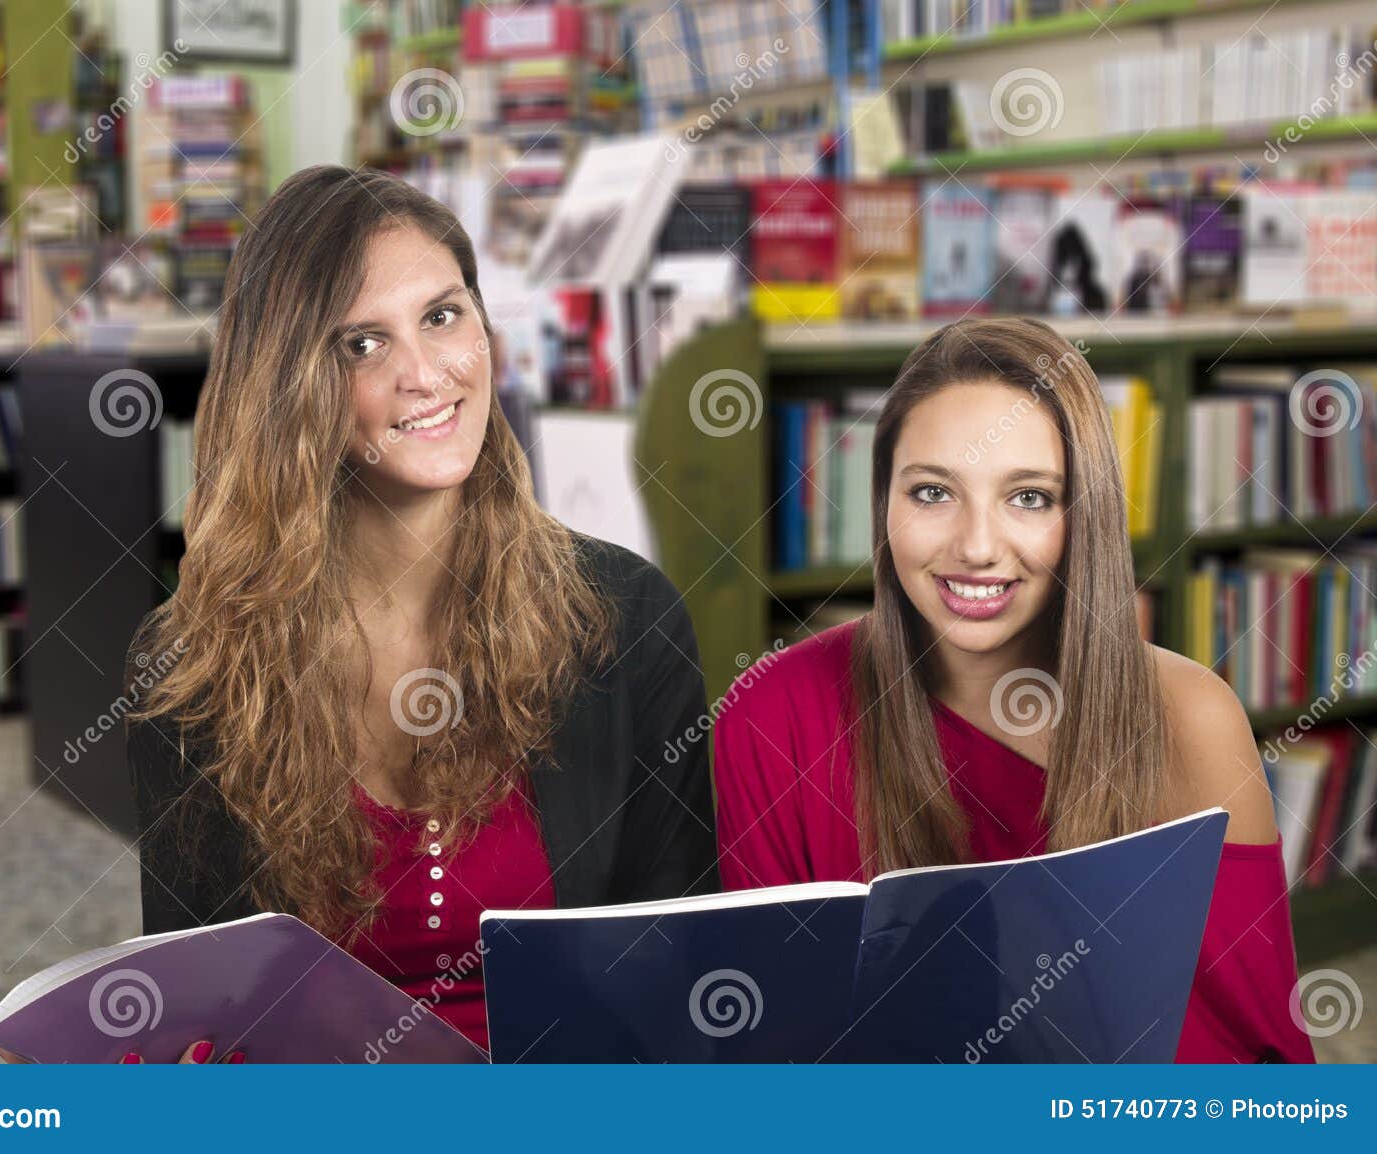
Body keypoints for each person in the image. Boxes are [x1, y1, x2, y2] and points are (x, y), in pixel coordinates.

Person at [77, 166, 715, 1063]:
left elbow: (682, 985)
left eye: (443, 316)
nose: (425, 375)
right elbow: (203, 1014)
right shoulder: (195, 662)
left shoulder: (626, 618)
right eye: (361, 345)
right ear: (290, 387)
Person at [713, 316, 1316, 1063]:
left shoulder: (1190, 719)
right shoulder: (771, 714)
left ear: (1083, 515)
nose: (975, 547)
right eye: (933, 492)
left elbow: (1262, 1072)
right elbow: (769, 1060)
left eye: (1028, 497)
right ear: (884, 508)